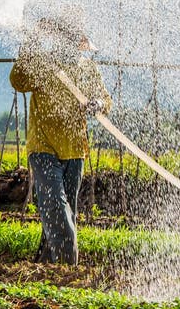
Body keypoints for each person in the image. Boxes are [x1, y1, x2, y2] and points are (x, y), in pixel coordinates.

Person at [9, 16, 112, 265]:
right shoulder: (43, 64)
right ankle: (68, 268)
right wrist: (29, 45)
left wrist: (97, 104)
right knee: (55, 203)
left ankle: (47, 265)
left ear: (78, 44)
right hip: (43, 146)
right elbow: (18, 81)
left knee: (66, 210)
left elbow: (105, 99)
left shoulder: (88, 69)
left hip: (75, 150)